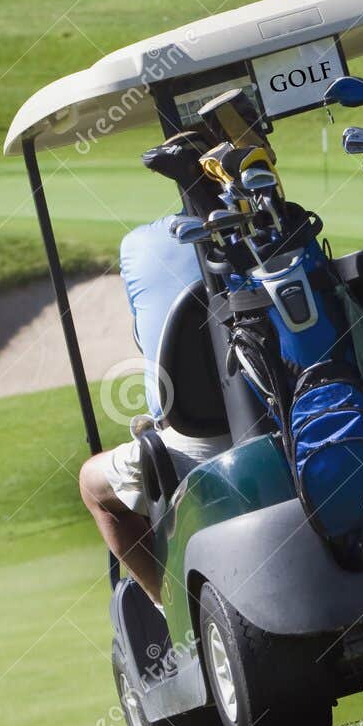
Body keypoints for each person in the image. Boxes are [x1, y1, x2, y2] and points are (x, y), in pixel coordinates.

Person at [79, 219, 225, 605]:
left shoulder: (142, 245)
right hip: (291, 423)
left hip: (197, 444)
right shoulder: (277, 225)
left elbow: (146, 338)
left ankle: (175, 614)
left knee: (91, 484)